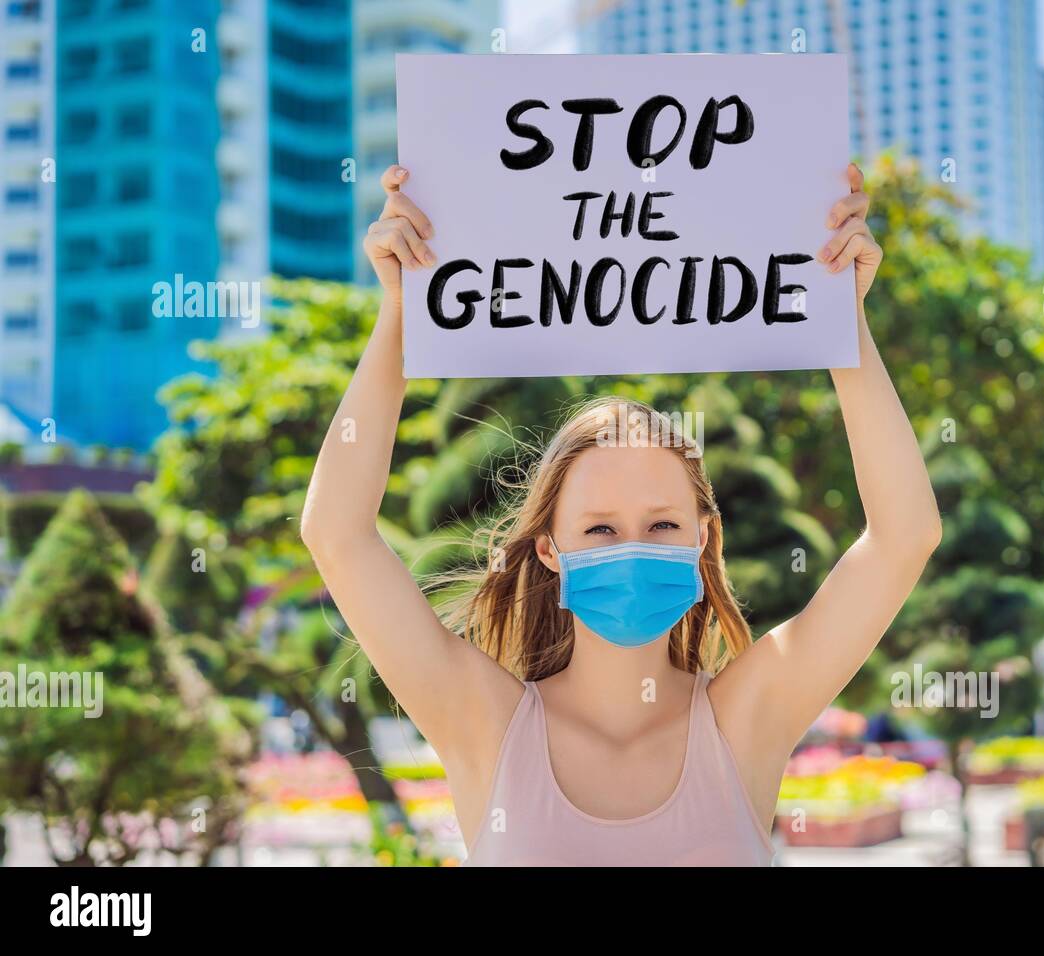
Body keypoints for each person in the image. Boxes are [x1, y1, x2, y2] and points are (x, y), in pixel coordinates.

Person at [301, 162, 941, 866]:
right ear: (548, 549)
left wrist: (840, 320)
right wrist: (400, 311)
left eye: (663, 525)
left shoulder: (747, 717)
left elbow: (903, 537)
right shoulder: (485, 722)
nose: (632, 546)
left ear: (703, 540)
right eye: (600, 528)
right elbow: (337, 534)